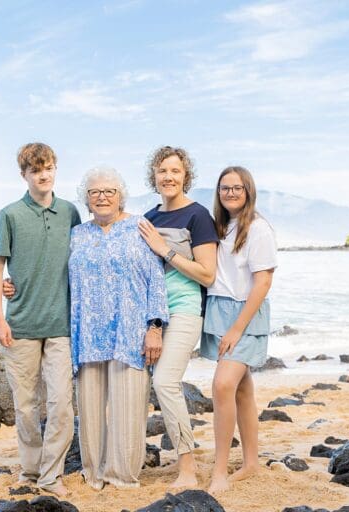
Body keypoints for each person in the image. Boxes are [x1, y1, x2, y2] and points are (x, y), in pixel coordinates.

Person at [0, 142, 81, 497]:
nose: (43, 175)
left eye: (48, 168)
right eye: (35, 170)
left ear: (55, 169)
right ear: (24, 175)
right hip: (22, 324)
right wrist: (0, 318)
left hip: (61, 325)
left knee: (61, 403)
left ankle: (51, 475)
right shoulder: (10, 215)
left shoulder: (70, 213)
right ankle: (30, 470)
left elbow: (82, 261)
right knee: (25, 406)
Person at [69, 166, 168, 490]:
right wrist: (13, 284)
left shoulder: (140, 226)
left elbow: (157, 280)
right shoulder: (77, 234)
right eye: (95, 192)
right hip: (87, 333)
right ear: (86, 199)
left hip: (129, 332)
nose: (102, 197)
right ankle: (94, 473)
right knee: (90, 410)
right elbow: (54, 276)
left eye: (109, 191)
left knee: (129, 409)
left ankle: (122, 476)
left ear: (120, 196)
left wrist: (154, 327)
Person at [137, 146, 218, 488]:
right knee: (140, 385)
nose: (168, 177)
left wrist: (164, 249)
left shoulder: (197, 216)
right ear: (153, 177)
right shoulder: (149, 218)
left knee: (165, 382)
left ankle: (187, 467)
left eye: (175, 171)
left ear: (186, 176)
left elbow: (207, 274)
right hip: (152, 315)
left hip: (185, 310)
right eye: (162, 171)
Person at [200, 166, 277, 494]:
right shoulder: (220, 226)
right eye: (224, 188)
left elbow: (263, 282)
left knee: (222, 386)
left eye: (237, 188)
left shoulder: (258, 229)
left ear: (248, 191)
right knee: (242, 390)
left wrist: (236, 329)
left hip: (243, 313)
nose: (230, 193)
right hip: (218, 310)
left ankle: (219, 470)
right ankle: (250, 463)